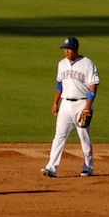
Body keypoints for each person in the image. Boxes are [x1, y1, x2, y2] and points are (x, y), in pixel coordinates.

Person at [41, 34, 99, 178]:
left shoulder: (87, 64)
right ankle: (51, 168)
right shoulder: (61, 64)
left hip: (82, 104)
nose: (66, 51)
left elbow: (93, 86)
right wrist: (55, 102)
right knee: (59, 136)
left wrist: (88, 106)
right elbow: (59, 85)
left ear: (76, 49)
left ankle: (88, 167)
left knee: (84, 137)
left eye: (69, 49)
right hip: (66, 104)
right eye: (65, 49)